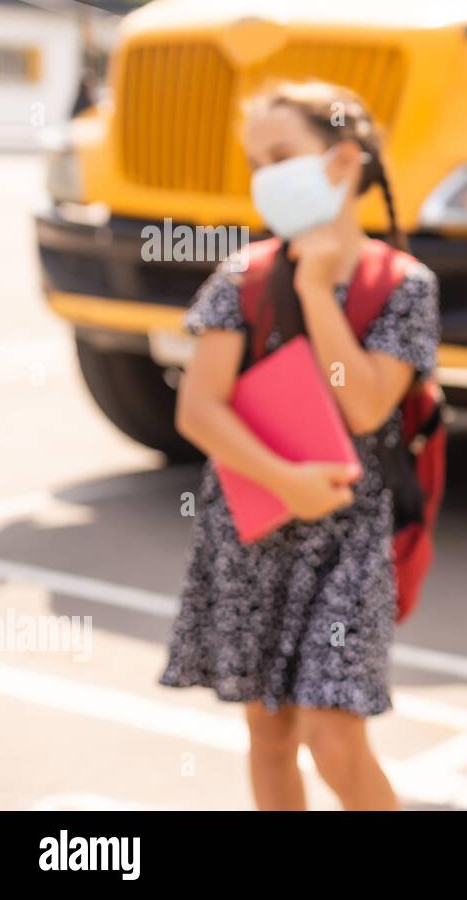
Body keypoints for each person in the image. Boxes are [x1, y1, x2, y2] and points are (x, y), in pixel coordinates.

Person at [158, 80, 440, 810]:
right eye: (256, 160)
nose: (264, 175)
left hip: (352, 536)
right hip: (255, 527)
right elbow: (199, 408)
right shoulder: (241, 277)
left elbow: (370, 401)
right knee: (271, 732)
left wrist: (318, 290)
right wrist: (284, 481)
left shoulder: (404, 285)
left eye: (281, 154)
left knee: (333, 735)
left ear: (344, 162)